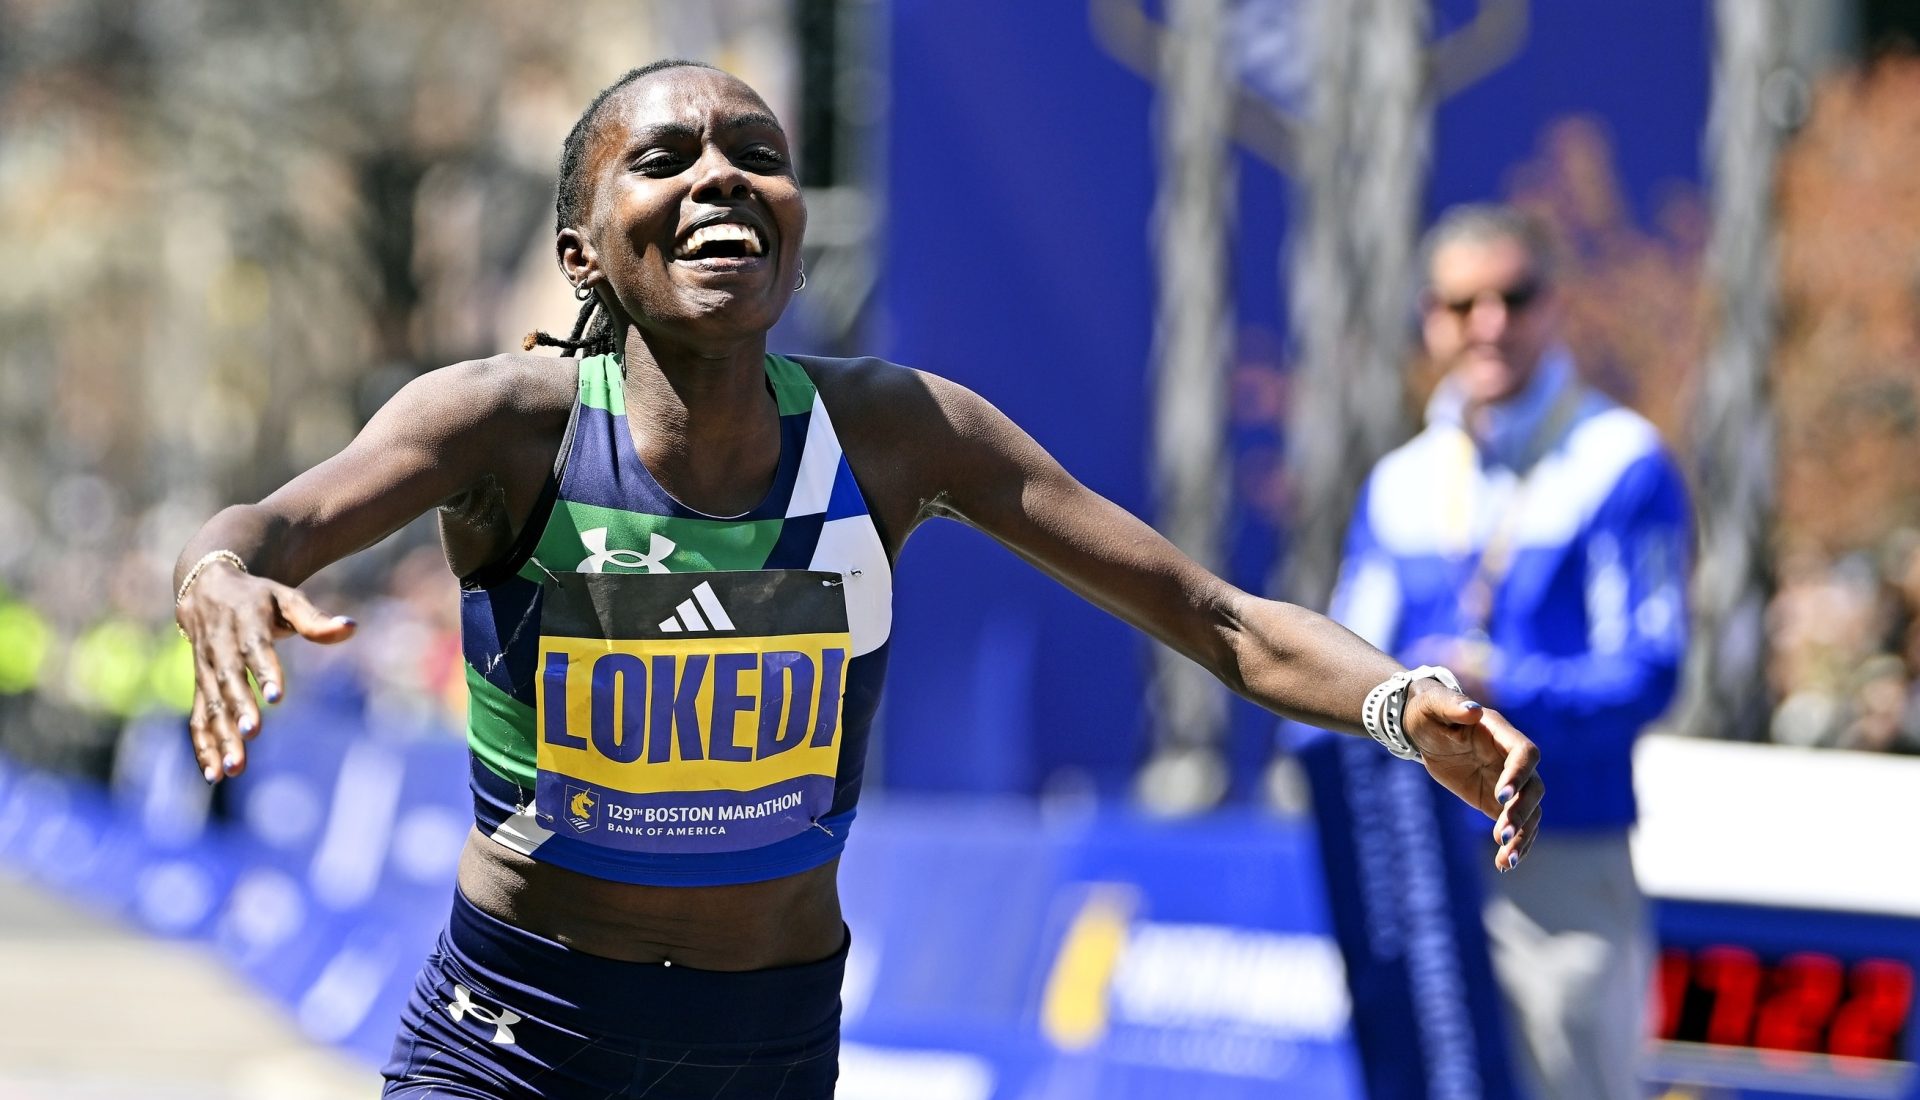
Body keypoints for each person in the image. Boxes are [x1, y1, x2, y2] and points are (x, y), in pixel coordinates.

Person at [171, 61, 1544, 1100]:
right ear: (583, 248)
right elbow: (269, 522)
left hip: (762, 1043)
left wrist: (1396, 698)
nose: (722, 176)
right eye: (667, 158)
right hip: (517, 1037)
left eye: (756, 156)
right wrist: (223, 575)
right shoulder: (504, 423)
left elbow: (1216, 617)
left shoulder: (893, 434)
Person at [1320, 204, 1689, 1099]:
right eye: (1461, 304)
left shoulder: (1618, 460)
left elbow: (1649, 673)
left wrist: (1496, 687)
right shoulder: (1402, 482)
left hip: (1562, 855)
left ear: (1555, 306)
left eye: (1515, 298)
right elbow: (1339, 665)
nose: (1490, 324)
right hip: (1420, 861)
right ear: (1429, 320)